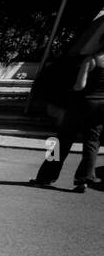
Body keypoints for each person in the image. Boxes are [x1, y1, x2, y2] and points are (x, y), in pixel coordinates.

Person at [31, 51, 104, 192]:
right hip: (102, 106)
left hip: (83, 104)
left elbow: (80, 85)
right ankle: (83, 179)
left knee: (63, 140)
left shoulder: (92, 60)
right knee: (92, 142)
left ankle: (45, 177)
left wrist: (70, 90)